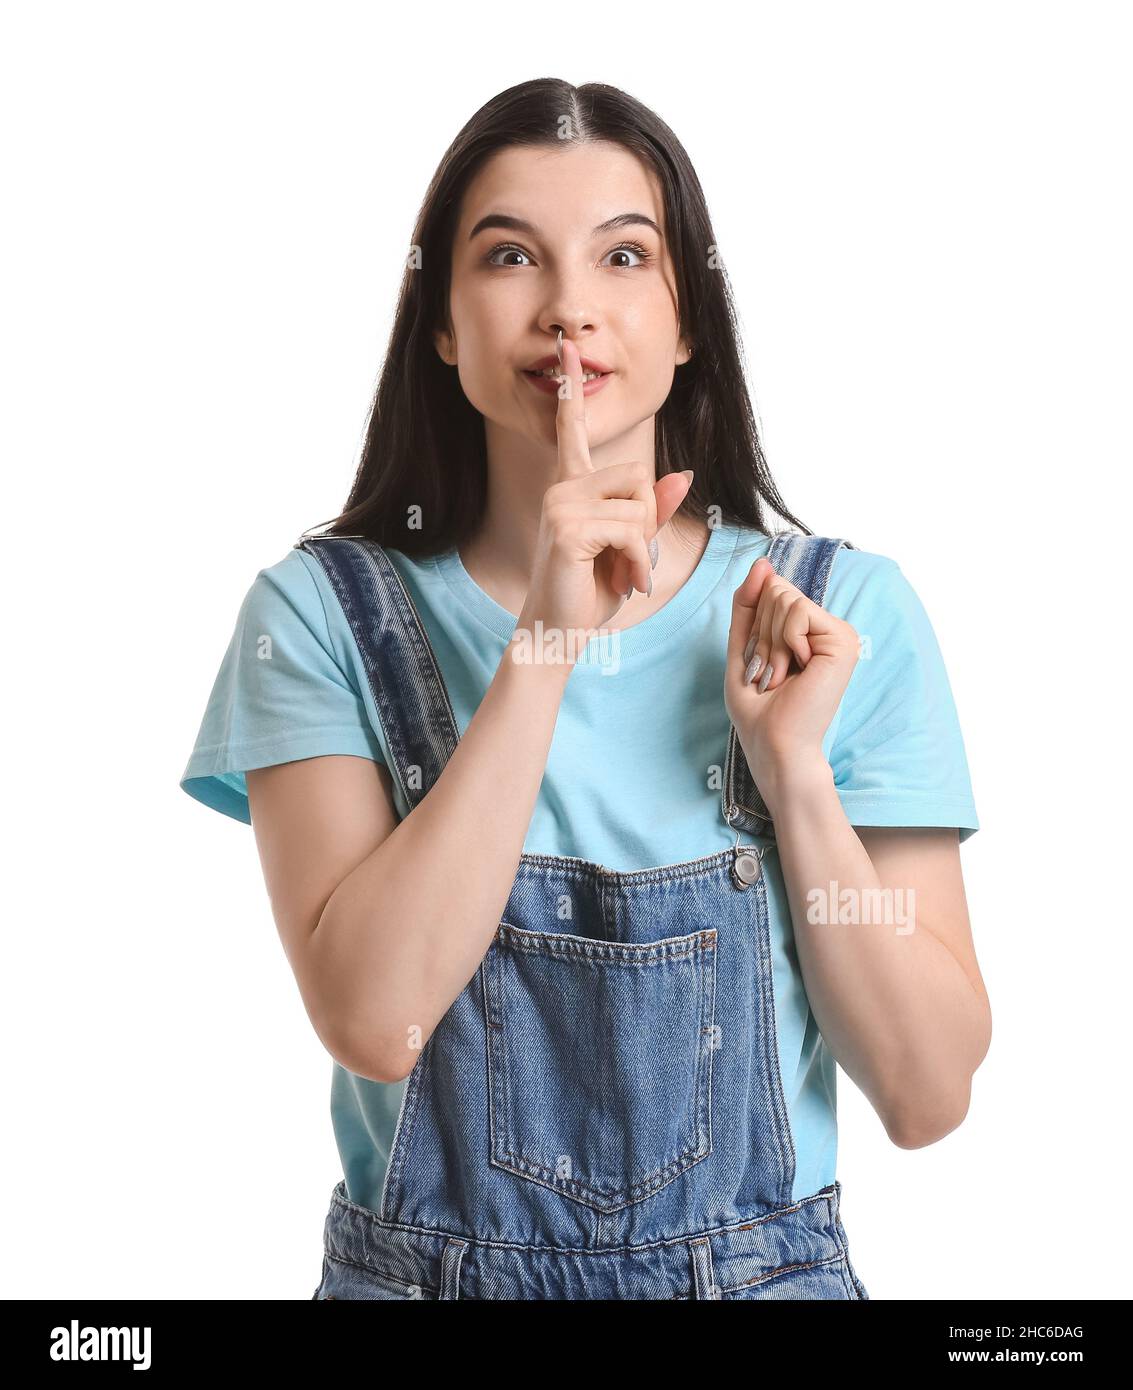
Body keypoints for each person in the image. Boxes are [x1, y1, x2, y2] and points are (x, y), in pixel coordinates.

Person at [180, 78, 989, 1301]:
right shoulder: (316, 619)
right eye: (509, 255)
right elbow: (374, 1017)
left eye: (623, 255)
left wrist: (797, 781)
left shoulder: (841, 617)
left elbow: (927, 1093)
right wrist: (546, 644)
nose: (568, 312)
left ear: (687, 322)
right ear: (440, 324)